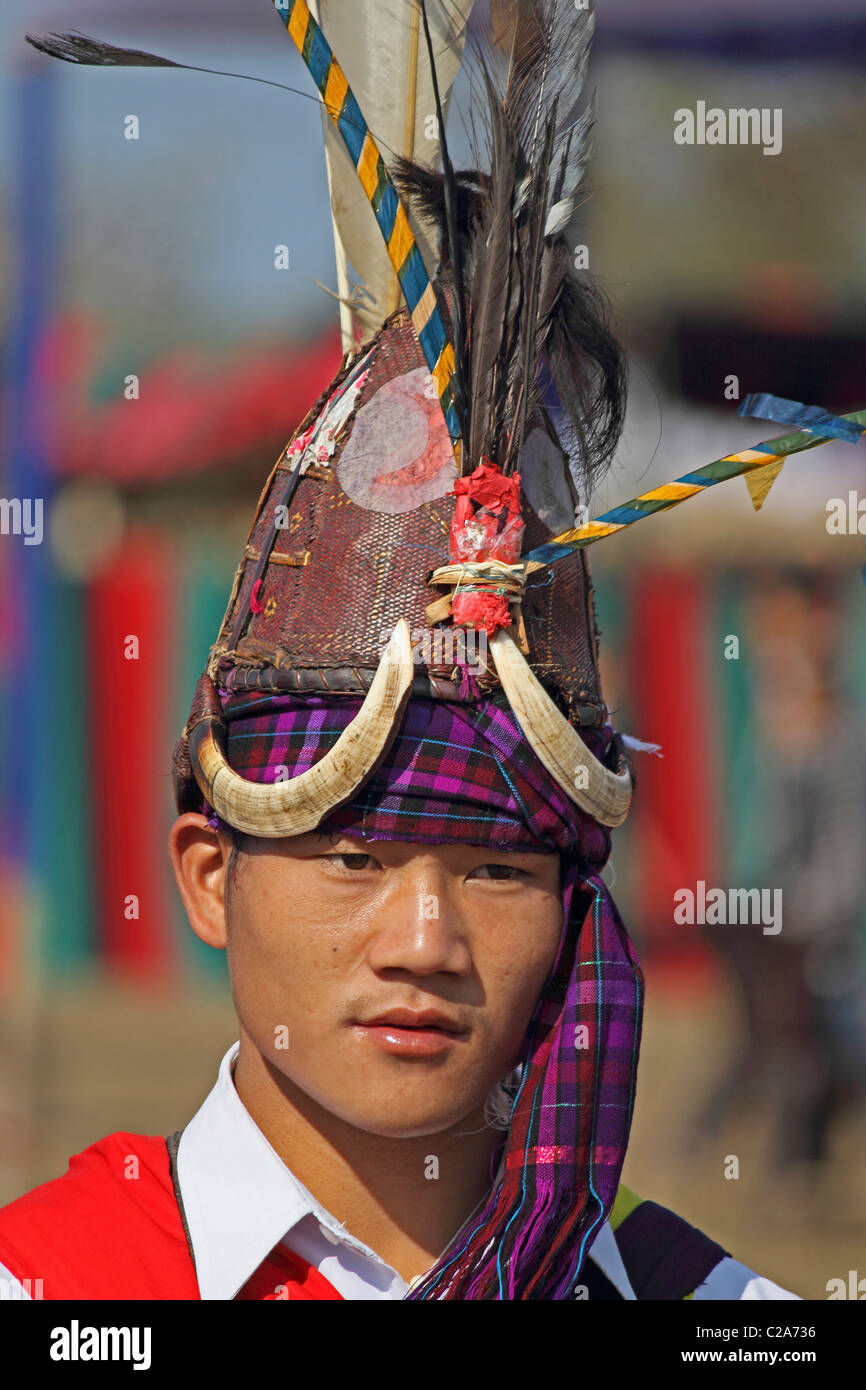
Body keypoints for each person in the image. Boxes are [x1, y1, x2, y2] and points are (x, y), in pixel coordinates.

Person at [2, 1, 803, 1299]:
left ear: (570, 901)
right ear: (207, 874)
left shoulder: (716, 1309)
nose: (425, 938)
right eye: (357, 852)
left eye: (496, 865)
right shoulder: (51, 1283)